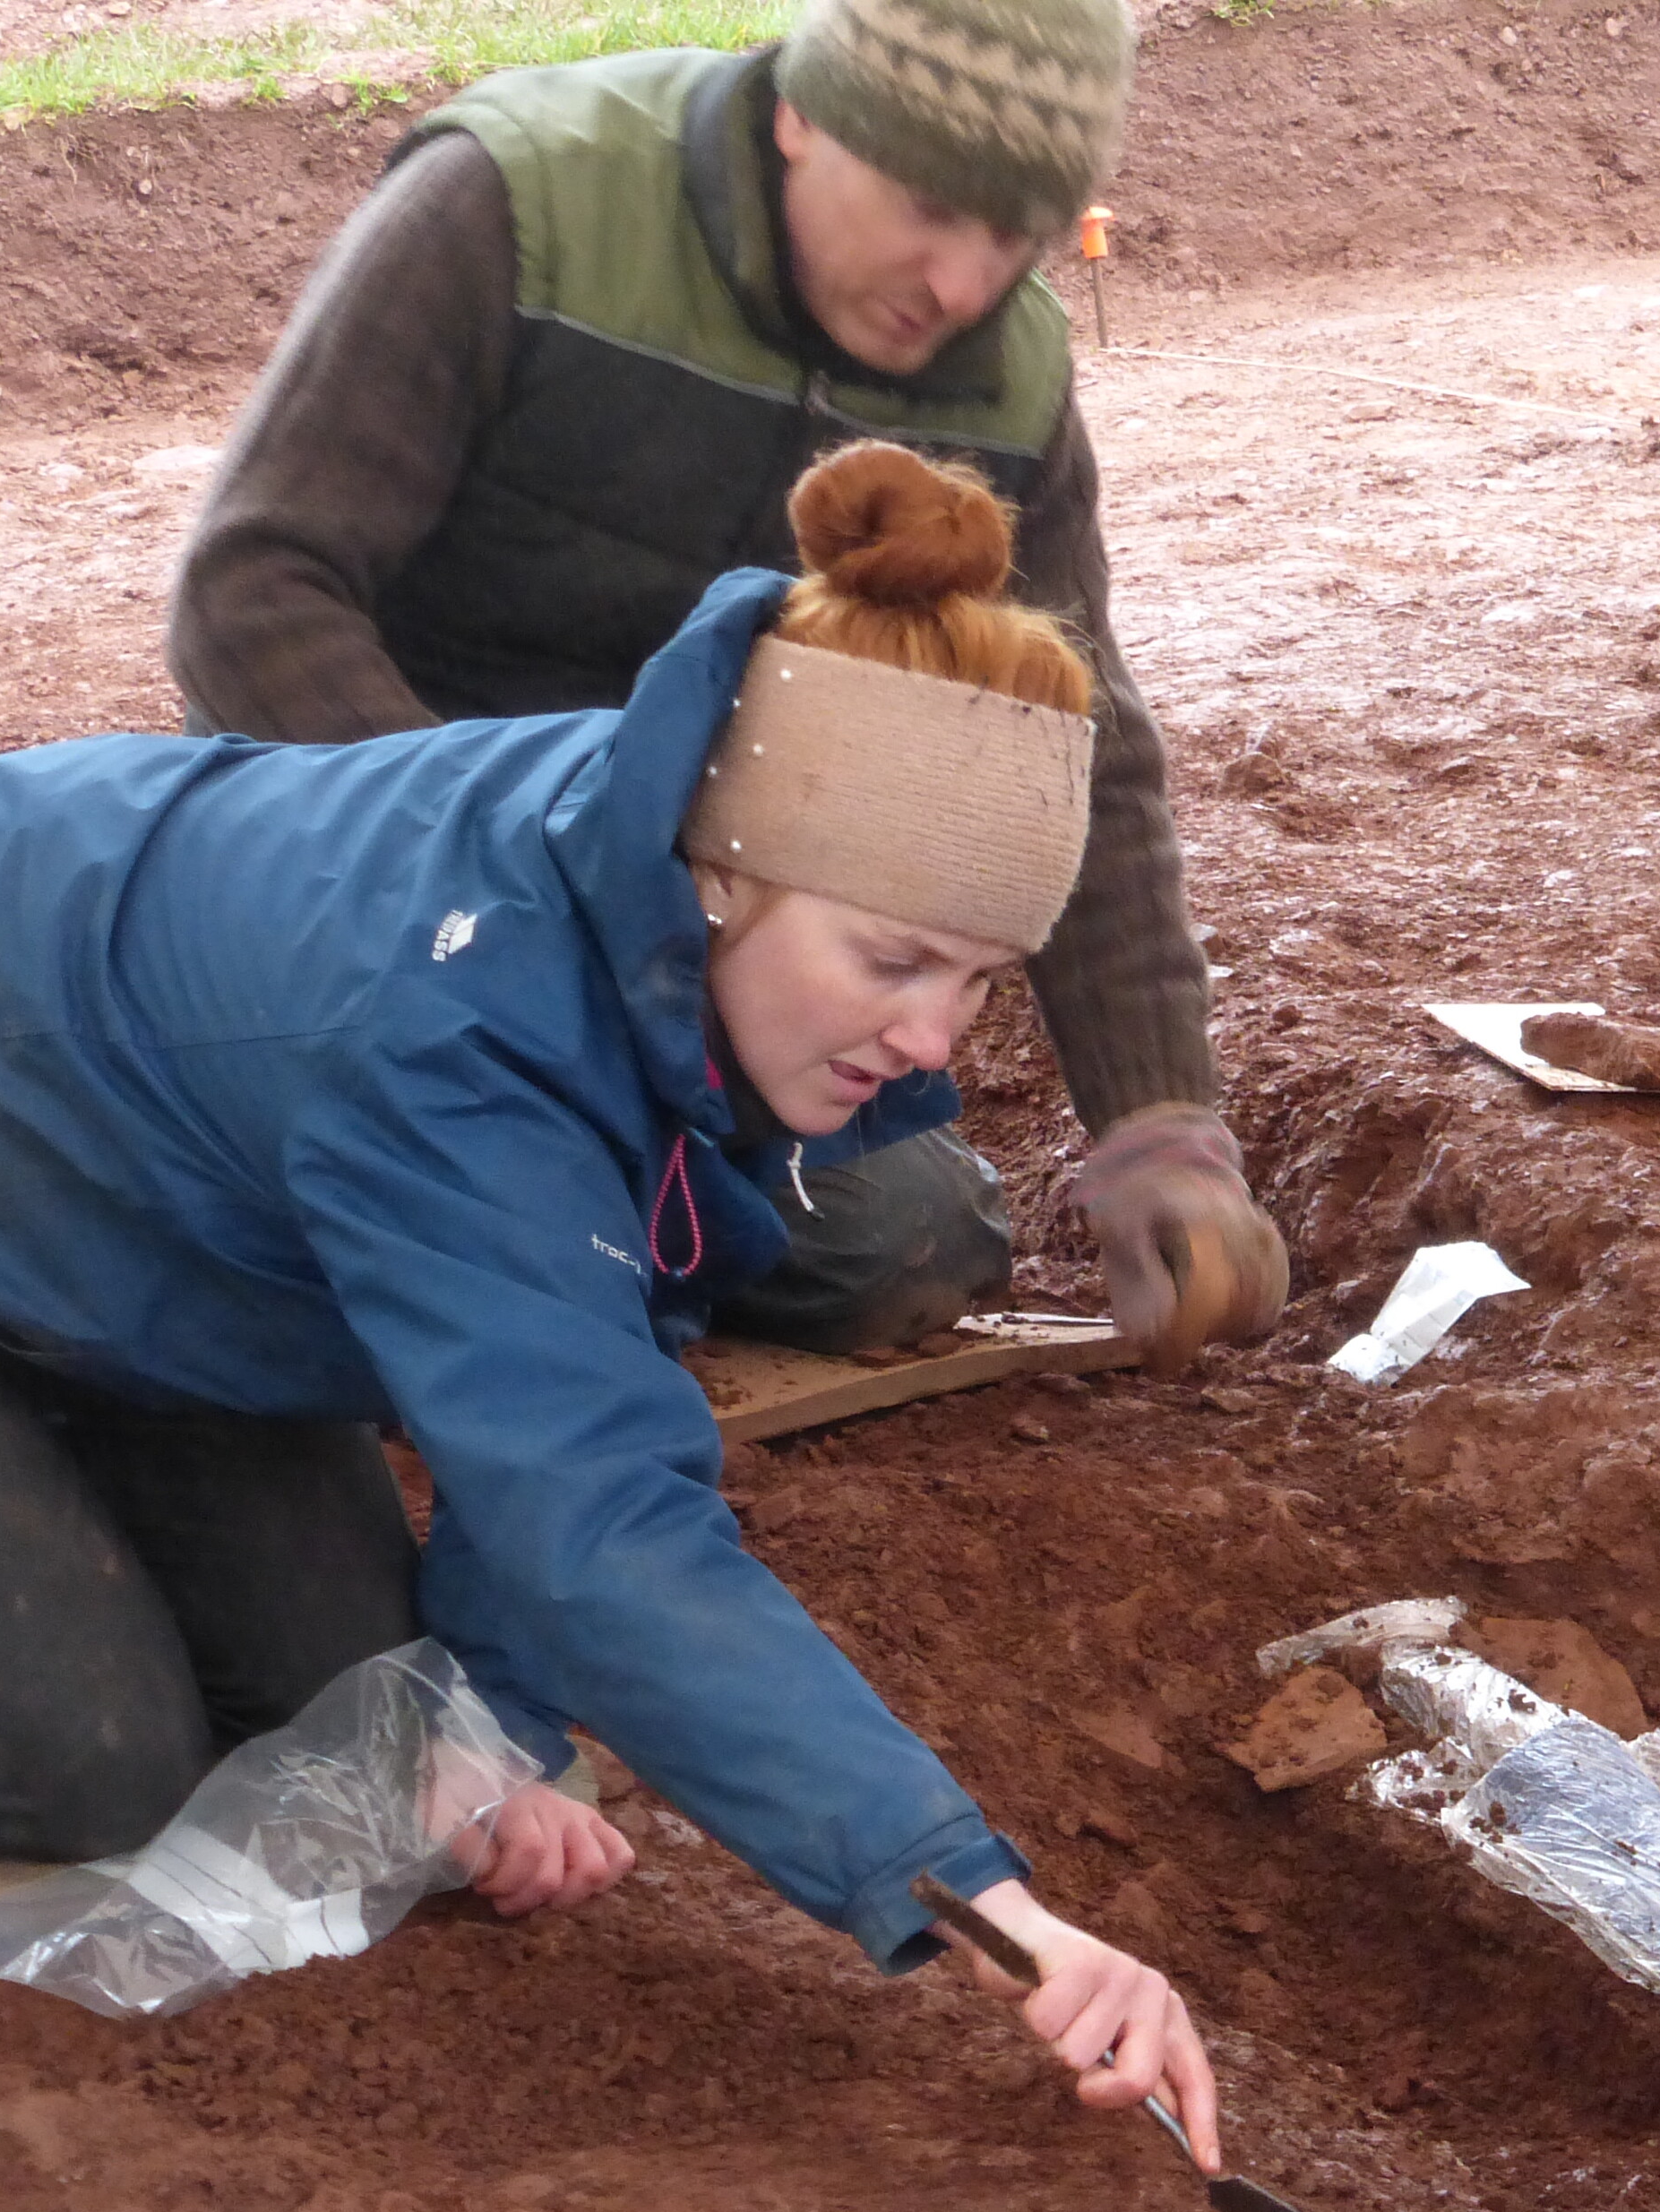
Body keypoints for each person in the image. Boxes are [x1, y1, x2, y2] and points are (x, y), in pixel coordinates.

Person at [0, 443, 1222, 2153]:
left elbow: (575, 1345)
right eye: (896, 963)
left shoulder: (660, 851)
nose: (937, 1043)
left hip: (105, 1237)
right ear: (725, 879)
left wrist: (480, 1712)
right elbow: (594, 1526)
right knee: (70, 1769)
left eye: (978, 983)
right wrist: (997, 1909)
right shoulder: (455, 1029)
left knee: (360, 1720)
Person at [165, 0, 1281, 1371]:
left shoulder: (1009, 380)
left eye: (1017, 236)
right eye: (930, 205)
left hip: (696, 947)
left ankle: (542, 1213)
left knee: (907, 1244)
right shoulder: (519, 205)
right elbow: (255, 589)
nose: (962, 283)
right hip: (391, 886)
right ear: (803, 112)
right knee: (344, 1226)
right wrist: (504, 895)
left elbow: (1067, 751)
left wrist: (1159, 1118)